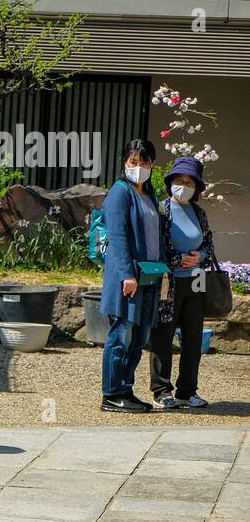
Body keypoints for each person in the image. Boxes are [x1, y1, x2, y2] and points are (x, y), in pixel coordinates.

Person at [150, 155, 218, 409]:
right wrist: (179, 259)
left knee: (193, 338)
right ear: (170, 183)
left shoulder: (199, 213)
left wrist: (200, 256)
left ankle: (187, 391)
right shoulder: (161, 210)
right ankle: (161, 390)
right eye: (179, 180)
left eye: (190, 182)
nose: (184, 186)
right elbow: (153, 248)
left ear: (197, 188)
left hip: (196, 281)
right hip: (168, 283)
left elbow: (209, 246)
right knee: (162, 336)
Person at [100, 139, 163, 413]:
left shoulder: (150, 195)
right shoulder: (120, 192)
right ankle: (112, 394)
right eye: (132, 162)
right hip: (128, 276)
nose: (138, 167)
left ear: (152, 164)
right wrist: (127, 274)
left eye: (144, 162)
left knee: (140, 336)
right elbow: (117, 236)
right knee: (122, 334)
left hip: (148, 276)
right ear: (124, 164)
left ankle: (126, 389)